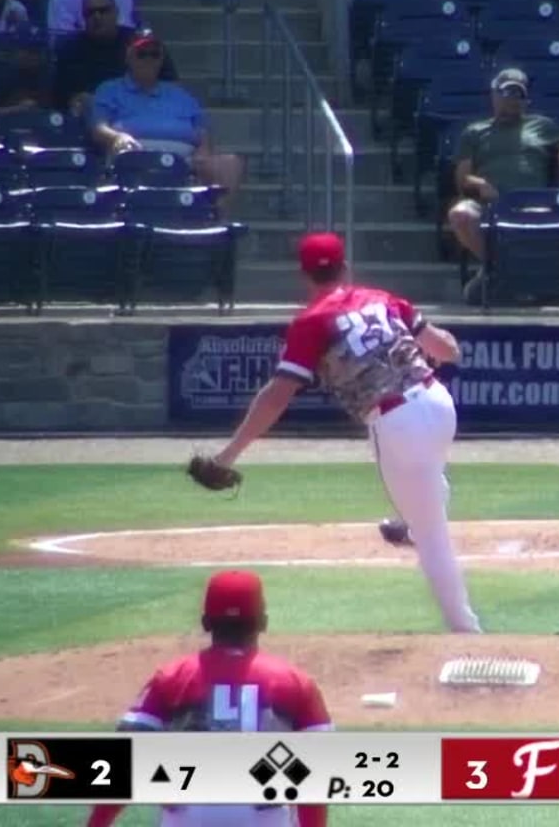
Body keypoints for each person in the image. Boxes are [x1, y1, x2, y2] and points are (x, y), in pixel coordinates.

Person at [200, 232, 484, 632]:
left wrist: (228, 454)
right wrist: (446, 343)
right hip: (439, 403)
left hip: (397, 419)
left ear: (304, 276)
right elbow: (446, 349)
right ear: (345, 267)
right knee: (423, 477)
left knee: (431, 533)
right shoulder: (383, 299)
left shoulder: (312, 321)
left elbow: (277, 396)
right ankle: (409, 517)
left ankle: (466, 629)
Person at [84, 569, 331, 827]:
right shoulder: (295, 681)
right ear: (263, 622)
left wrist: (97, 824)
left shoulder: (172, 676)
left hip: (188, 815)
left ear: (205, 622)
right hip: (263, 816)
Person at [447, 68, 559, 285]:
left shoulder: (542, 126)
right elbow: (462, 179)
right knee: (460, 214)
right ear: (494, 95)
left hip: (534, 203)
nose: (513, 100)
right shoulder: (475, 132)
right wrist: (480, 184)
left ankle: (507, 272)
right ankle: (499, 267)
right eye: (507, 93)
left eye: (519, 94)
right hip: (491, 204)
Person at [90, 31, 241, 211]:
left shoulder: (181, 95)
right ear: (129, 58)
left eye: (154, 55)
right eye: (142, 54)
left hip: (185, 162)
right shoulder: (110, 90)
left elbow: (202, 131)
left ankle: (214, 220)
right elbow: (98, 128)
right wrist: (117, 137)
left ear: (161, 60)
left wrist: (203, 151)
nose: (148, 60)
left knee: (230, 164)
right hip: (134, 154)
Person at [53, 0, 176, 114]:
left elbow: (170, 87)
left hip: (137, 113)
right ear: (84, 19)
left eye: (103, 11)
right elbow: (57, 97)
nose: (97, 16)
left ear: (116, 13)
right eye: (90, 13)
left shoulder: (142, 45)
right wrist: (72, 100)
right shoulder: (69, 50)